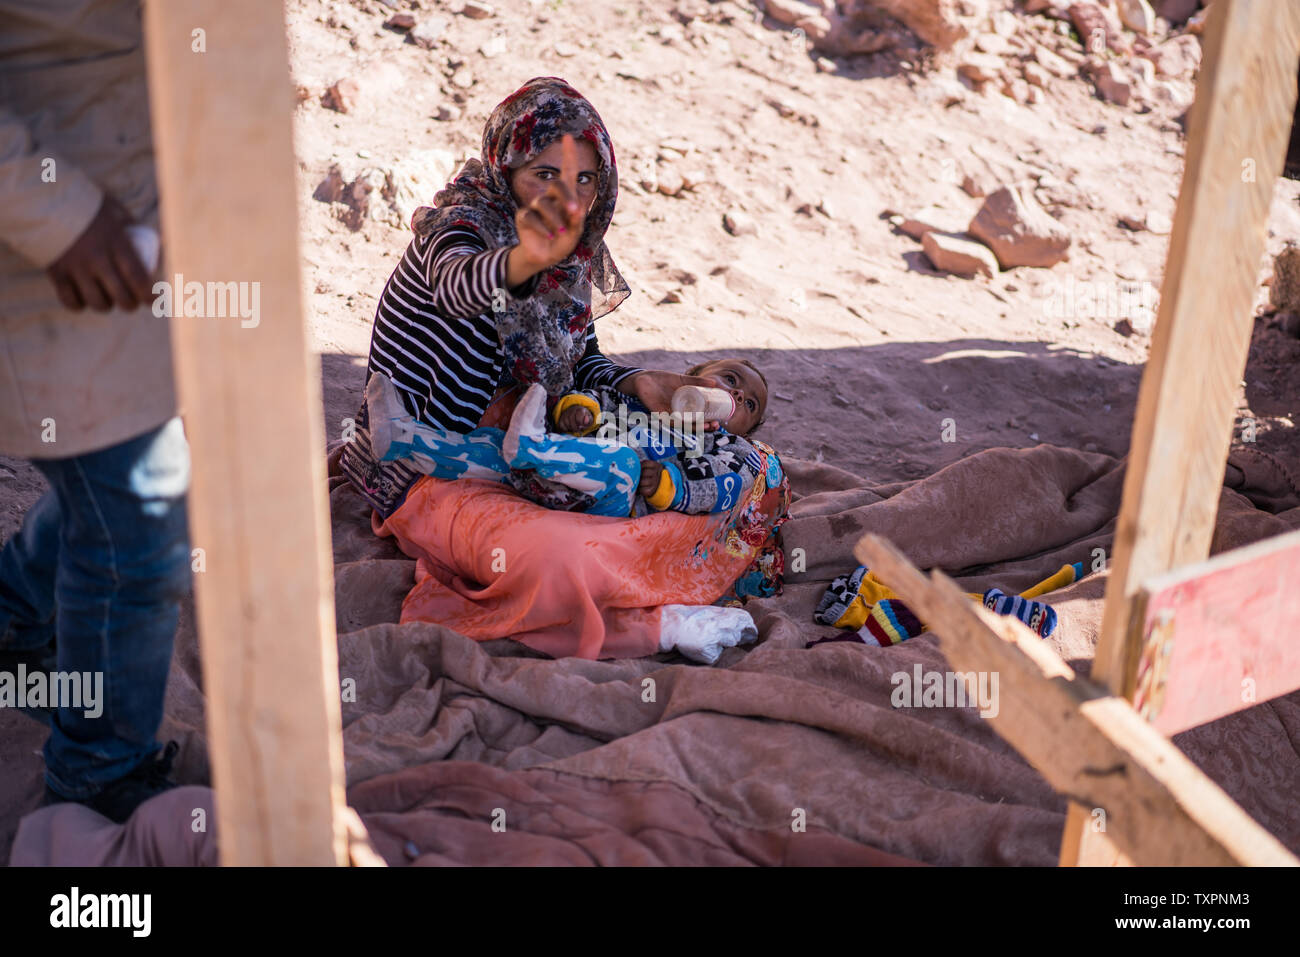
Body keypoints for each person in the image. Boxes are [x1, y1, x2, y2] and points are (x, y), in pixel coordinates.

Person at [339, 76, 727, 517]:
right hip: (415, 473)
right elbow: (456, 288)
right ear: (505, 166)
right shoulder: (460, 229)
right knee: (601, 504)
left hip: (504, 454)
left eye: (585, 179)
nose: (568, 198)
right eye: (545, 174)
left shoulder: (569, 255)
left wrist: (637, 382)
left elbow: (580, 360)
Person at [0, 0, 189, 822]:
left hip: (126, 236)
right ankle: (98, 767)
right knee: (137, 526)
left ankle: (9, 615)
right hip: (56, 253)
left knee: (105, 480)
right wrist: (61, 215)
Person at [365, 356, 770, 519]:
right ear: (695, 377)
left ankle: (531, 447)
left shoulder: (732, 451)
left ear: (747, 432)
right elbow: (605, 399)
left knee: (624, 464)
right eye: (730, 380)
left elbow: (724, 489)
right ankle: (404, 439)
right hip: (549, 480)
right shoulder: (656, 403)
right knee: (491, 445)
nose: (735, 394)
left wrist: (668, 485)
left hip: (613, 505)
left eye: (748, 404)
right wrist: (579, 411)